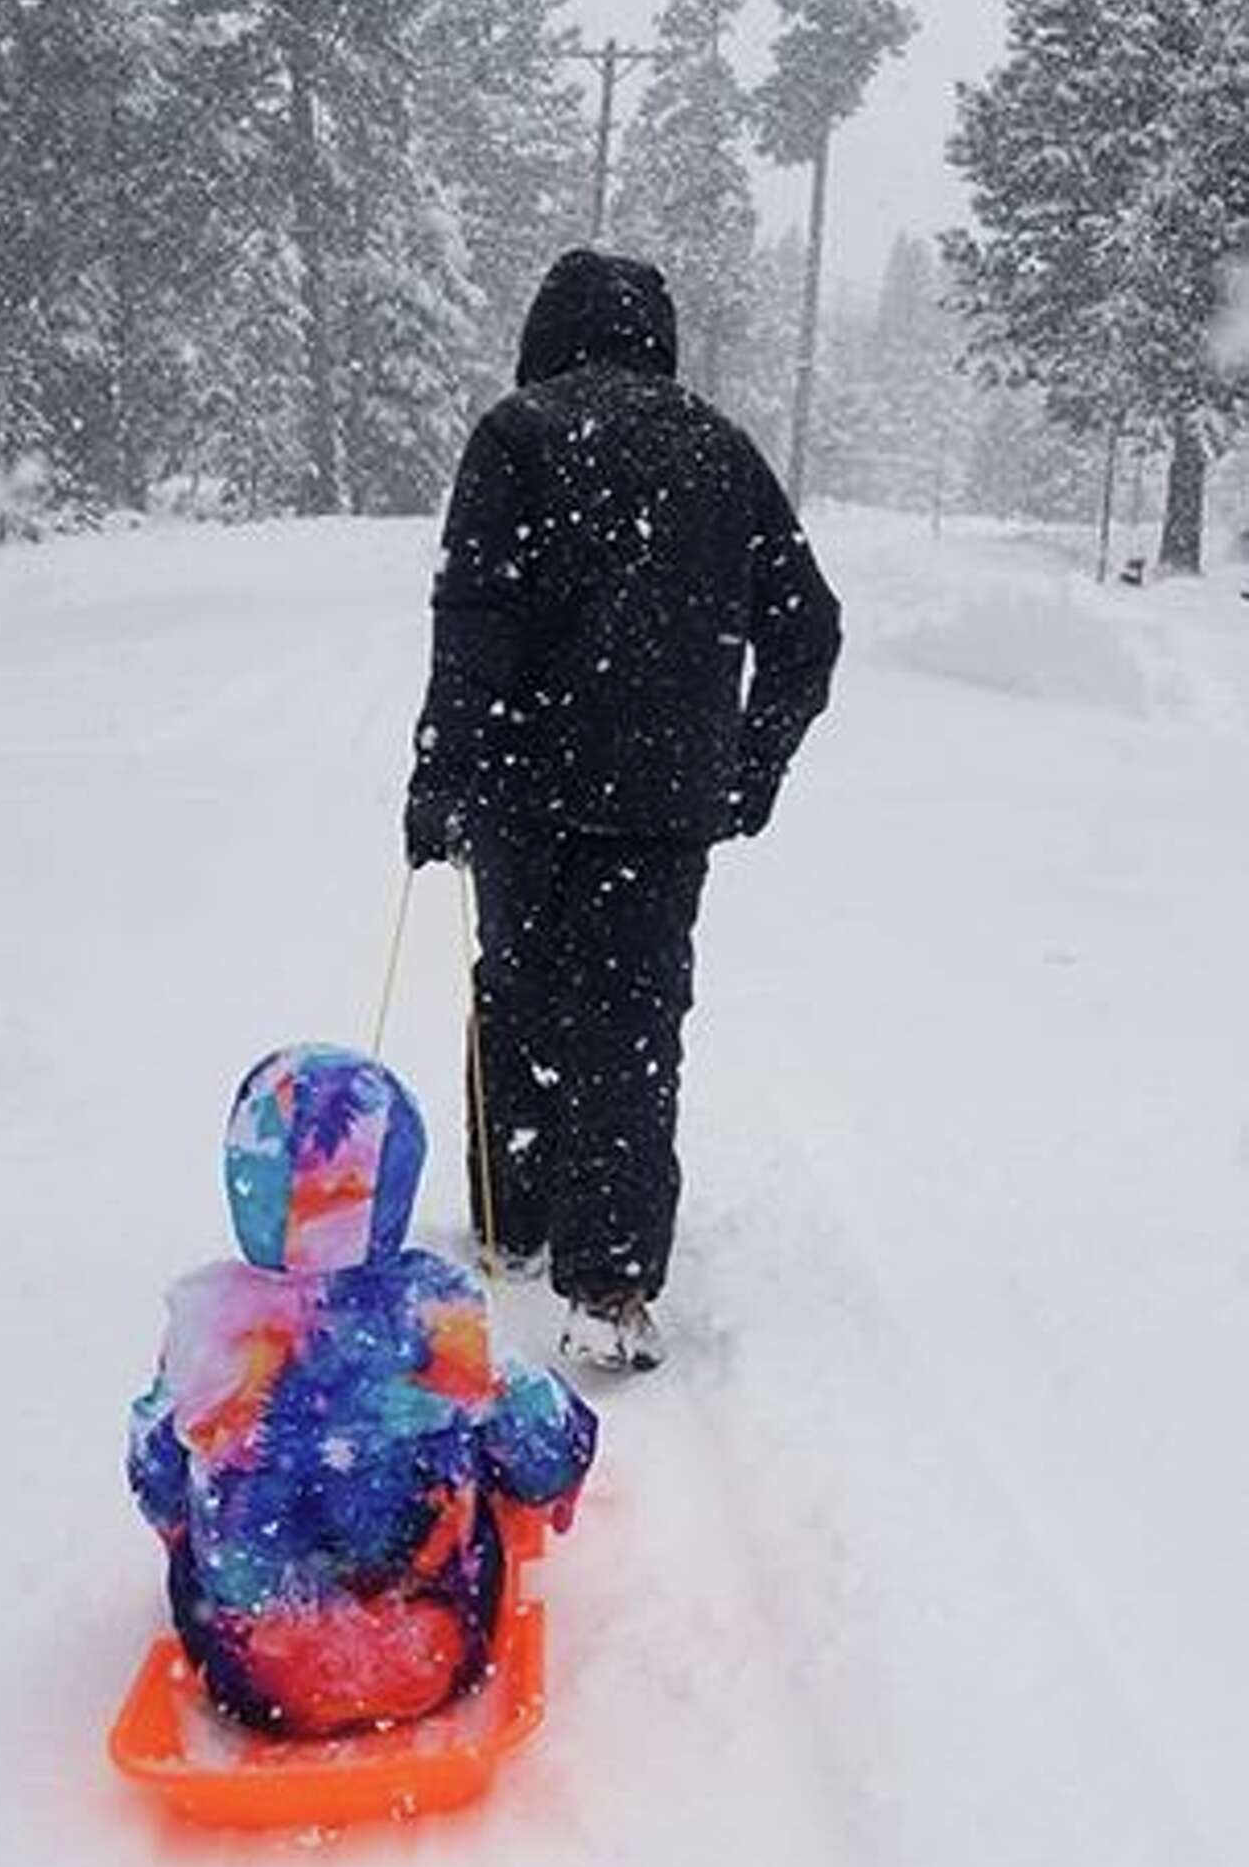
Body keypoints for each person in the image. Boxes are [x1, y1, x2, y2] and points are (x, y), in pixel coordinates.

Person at [404, 248, 841, 1375]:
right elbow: (809, 629)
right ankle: (608, 1282)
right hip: (662, 805)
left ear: (549, 331)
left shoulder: (516, 436)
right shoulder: (721, 449)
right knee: (633, 1028)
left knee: (515, 993)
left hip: (524, 791)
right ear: (656, 335)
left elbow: (475, 624)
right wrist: (748, 770)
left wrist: (441, 777)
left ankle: (512, 1216)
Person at [128, 1043, 595, 1736]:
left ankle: (263, 1606)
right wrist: (559, 1451)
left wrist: (199, 1505)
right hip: (432, 1654)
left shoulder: (211, 1329)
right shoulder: (434, 1311)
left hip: (250, 1675)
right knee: (472, 1451)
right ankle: (403, 1583)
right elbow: (548, 1446)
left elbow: (154, 1478)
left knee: (228, 1514)